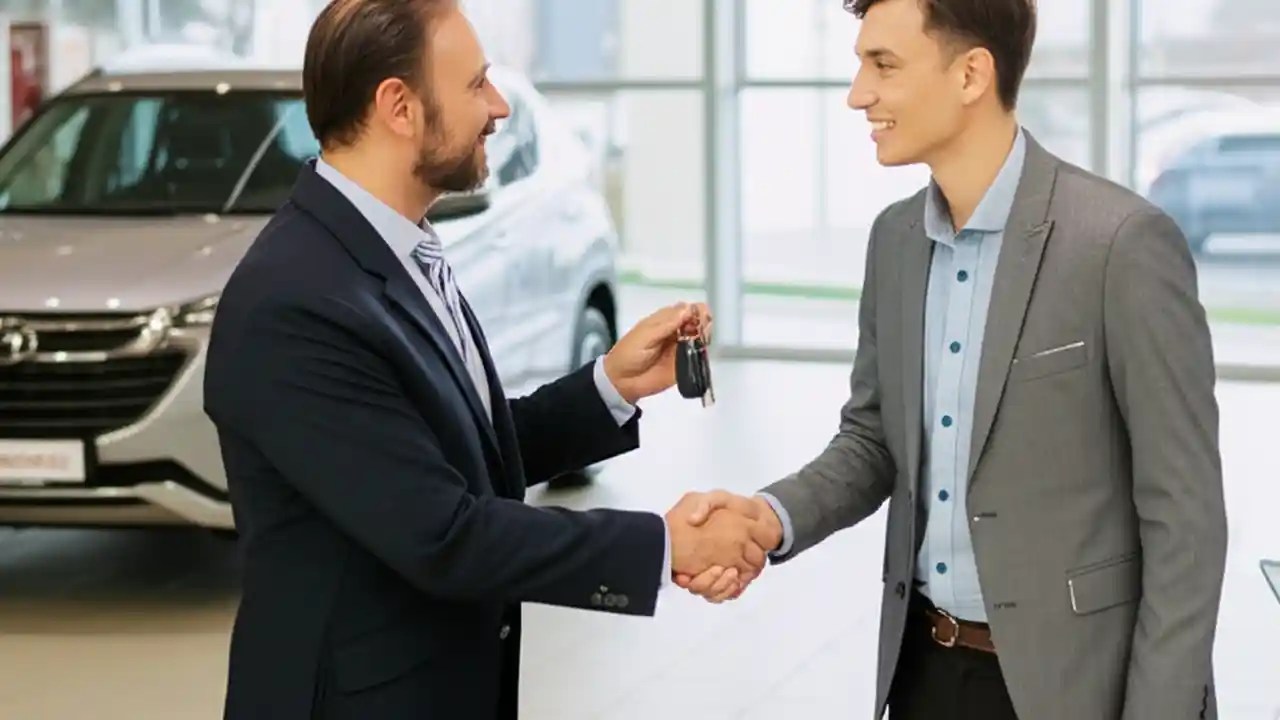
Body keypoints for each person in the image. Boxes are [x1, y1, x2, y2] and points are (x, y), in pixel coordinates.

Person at [202, 1, 779, 718]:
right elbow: (443, 533)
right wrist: (665, 546)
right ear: (399, 106)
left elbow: (450, 448)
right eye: (477, 84)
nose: (499, 106)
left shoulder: (392, 247)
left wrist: (610, 385)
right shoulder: (294, 303)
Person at [677, 0, 1229, 718]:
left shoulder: (1121, 244)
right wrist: (767, 518)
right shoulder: (896, 240)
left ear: (972, 74)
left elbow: (1186, 520)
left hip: (1078, 688)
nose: (857, 93)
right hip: (925, 673)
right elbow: (874, 440)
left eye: (883, 65)